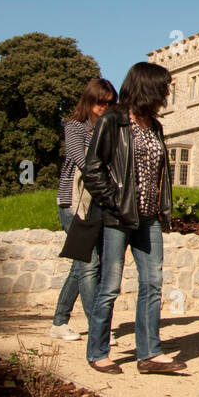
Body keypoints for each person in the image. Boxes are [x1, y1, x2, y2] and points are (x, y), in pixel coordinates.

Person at [81, 62, 185, 375]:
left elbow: (160, 172)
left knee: (152, 283)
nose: (167, 93)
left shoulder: (155, 126)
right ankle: (98, 352)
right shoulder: (113, 120)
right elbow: (92, 168)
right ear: (147, 87)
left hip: (149, 218)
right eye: (163, 87)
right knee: (110, 286)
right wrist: (114, 202)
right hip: (117, 218)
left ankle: (150, 353)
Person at [49, 78, 116, 341]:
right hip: (73, 204)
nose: (104, 107)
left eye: (110, 103)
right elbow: (81, 159)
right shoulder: (75, 127)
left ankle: (59, 322)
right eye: (100, 102)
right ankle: (98, 328)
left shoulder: (110, 129)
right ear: (89, 100)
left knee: (80, 265)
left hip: (97, 205)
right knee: (90, 263)